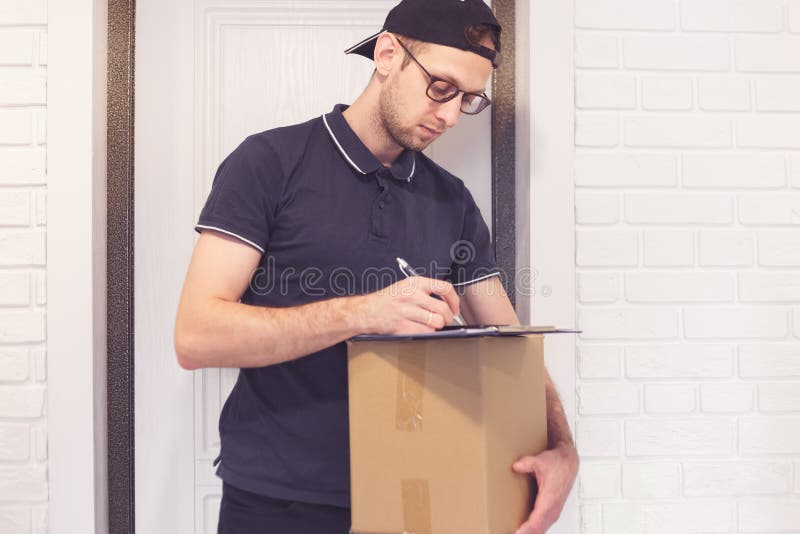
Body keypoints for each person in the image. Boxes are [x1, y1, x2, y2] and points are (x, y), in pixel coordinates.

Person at [174, 1, 578, 532]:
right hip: (276, 501)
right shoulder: (269, 162)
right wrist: (364, 314)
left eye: (468, 99)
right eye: (441, 87)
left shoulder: (452, 201)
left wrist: (561, 446)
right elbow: (196, 338)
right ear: (387, 54)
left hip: (417, 494)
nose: (450, 116)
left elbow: (511, 343)